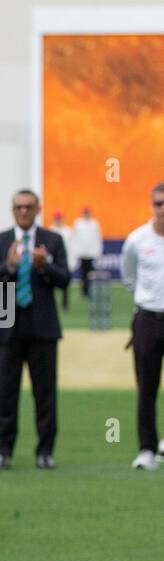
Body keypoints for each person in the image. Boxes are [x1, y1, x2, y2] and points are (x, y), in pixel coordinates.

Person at [0, 189, 68, 470]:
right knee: (6, 392)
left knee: (45, 393)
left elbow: (65, 280)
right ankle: (3, 450)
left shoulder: (52, 241)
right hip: (7, 324)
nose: (24, 211)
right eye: (19, 207)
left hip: (42, 326)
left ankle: (45, 451)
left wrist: (46, 265)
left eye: (29, 207)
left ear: (38, 209)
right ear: (12, 210)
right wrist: (9, 265)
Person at [121, 183, 164, 471]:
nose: (162, 209)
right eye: (158, 203)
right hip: (148, 319)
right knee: (146, 387)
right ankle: (147, 449)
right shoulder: (137, 240)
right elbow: (129, 276)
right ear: (151, 205)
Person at [72, 206, 104, 300]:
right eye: (85, 212)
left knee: (90, 273)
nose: (86, 214)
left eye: (87, 212)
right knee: (82, 273)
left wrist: (98, 251)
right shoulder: (78, 223)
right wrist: (75, 251)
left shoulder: (94, 223)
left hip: (91, 252)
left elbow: (98, 237)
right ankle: (83, 291)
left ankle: (88, 290)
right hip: (82, 252)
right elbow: (75, 238)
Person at [50, 210, 75, 309]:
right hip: (53, 261)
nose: (58, 220)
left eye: (59, 218)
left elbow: (72, 247)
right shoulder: (50, 230)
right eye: (56, 219)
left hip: (65, 260)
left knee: (65, 282)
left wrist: (72, 260)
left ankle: (65, 303)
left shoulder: (68, 231)